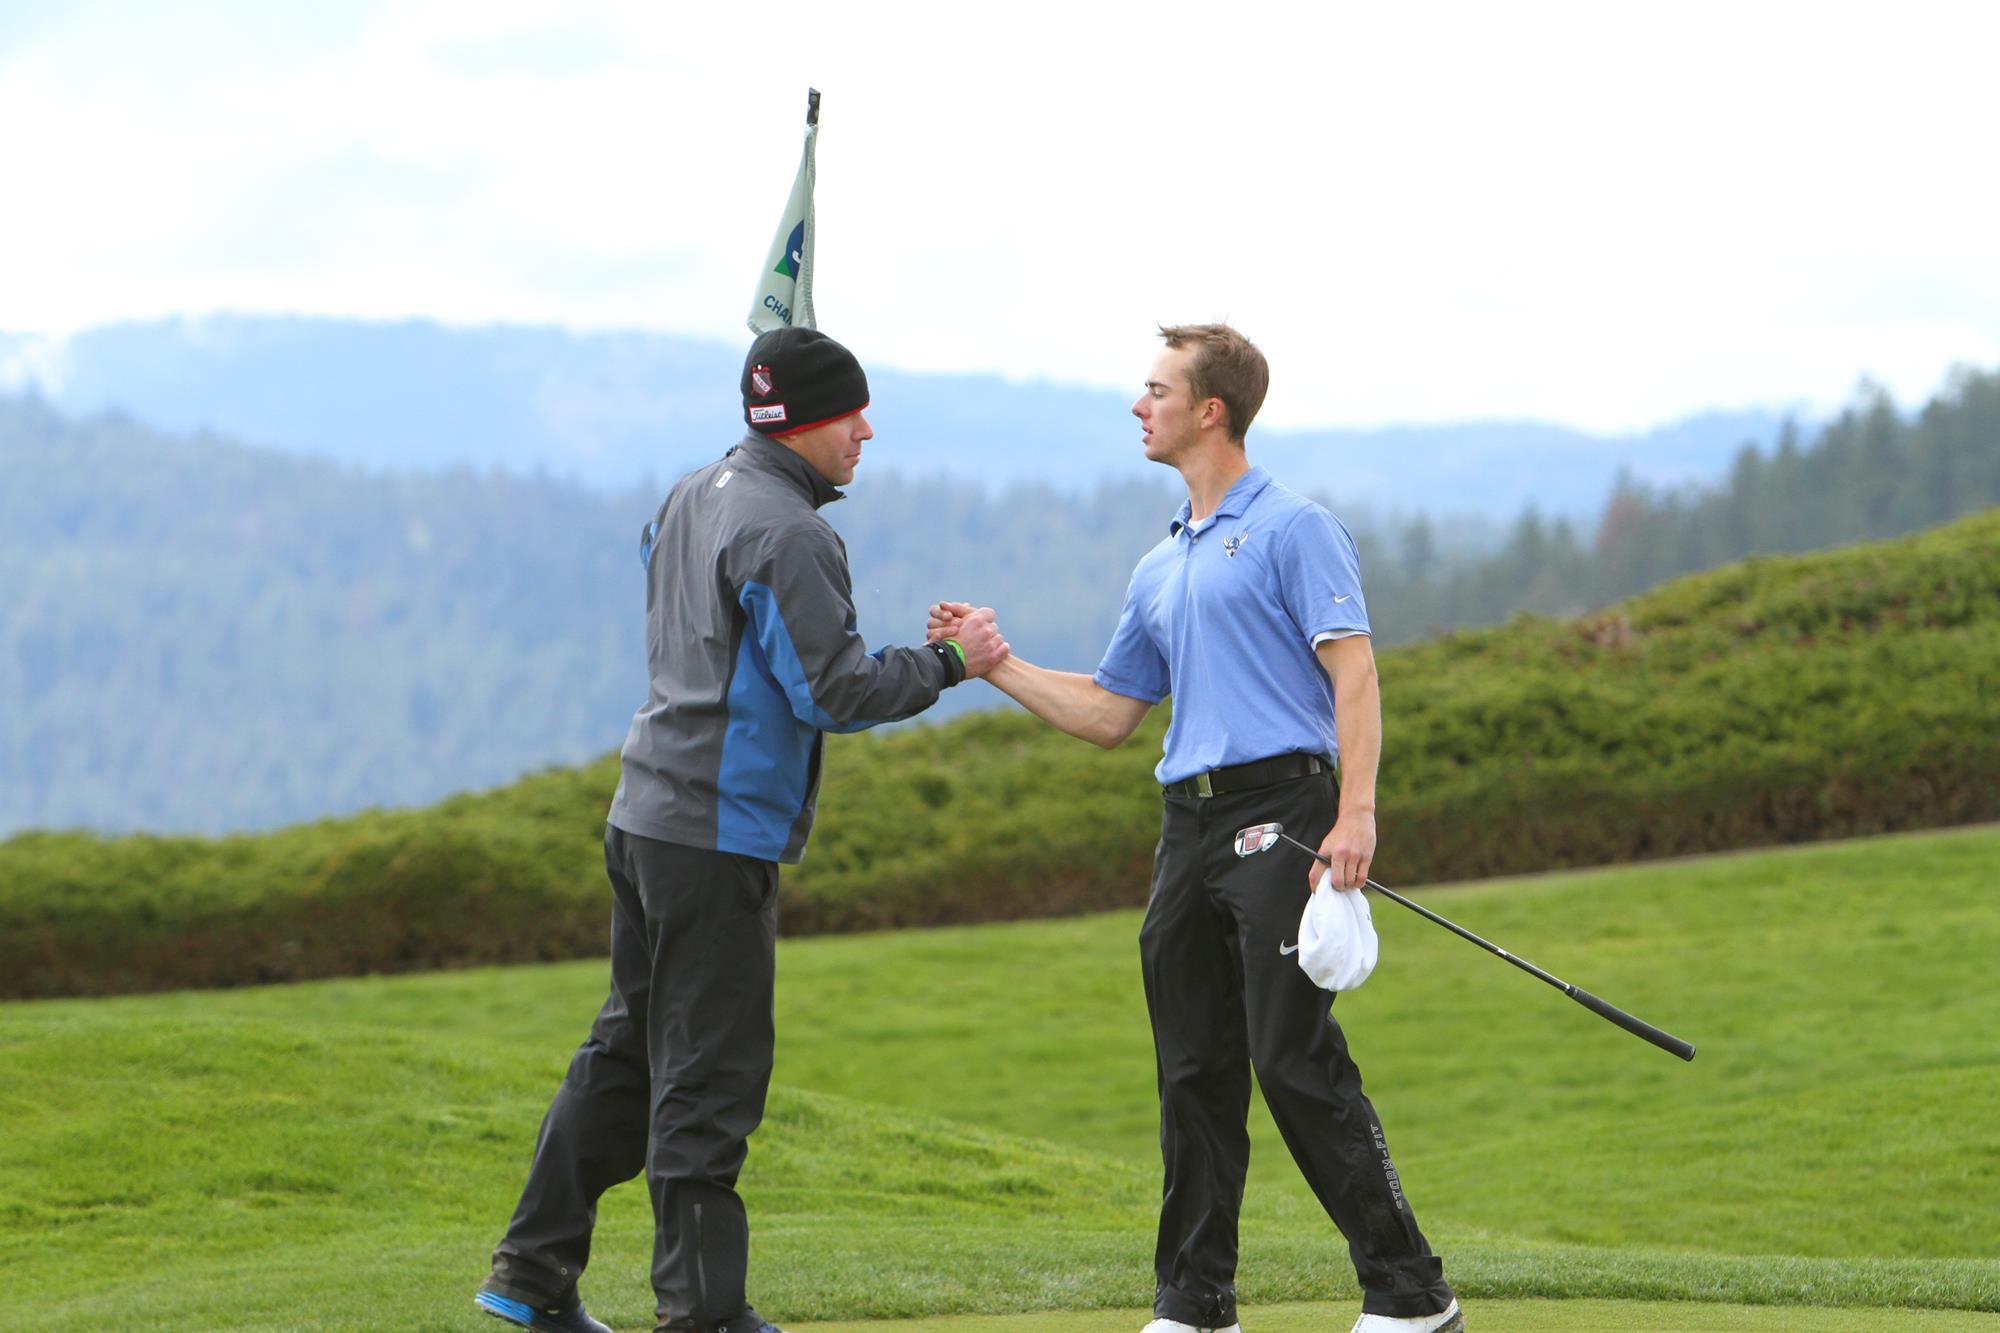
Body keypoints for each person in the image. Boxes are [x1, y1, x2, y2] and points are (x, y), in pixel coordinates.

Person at [475, 326, 1010, 1333]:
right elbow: (835, 690)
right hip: (713, 832)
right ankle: (703, 1313)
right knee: (707, 1074)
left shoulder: (693, 492)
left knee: (629, 1049)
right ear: (805, 420)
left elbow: (673, 574)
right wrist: (950, 663)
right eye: (852, 413)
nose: (865, 431)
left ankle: (532, 1272)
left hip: (644, 811)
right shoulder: (791, 533)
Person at [929, 324, 1462, 1333]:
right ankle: (1194, 1301)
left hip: (1284, 813)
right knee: (1190, 1070)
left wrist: (1355, 813)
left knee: (1290, 1058)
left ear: (1208, 408)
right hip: (1188, 824)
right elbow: (1108, 714)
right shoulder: (1157, 565)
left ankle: (1410, 1292)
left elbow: (1353, 672)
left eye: (1155, 388)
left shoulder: (1294, 528)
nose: (1139, 405)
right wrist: (991, 663)